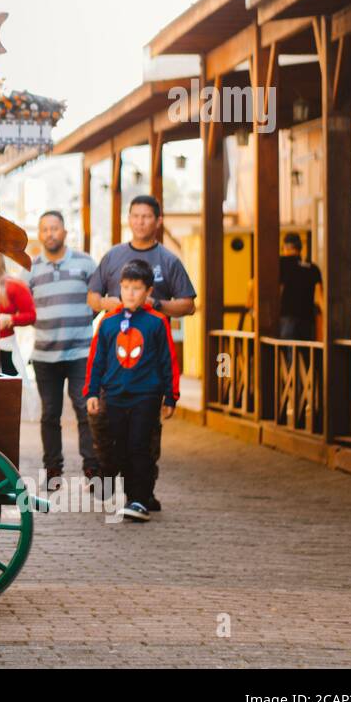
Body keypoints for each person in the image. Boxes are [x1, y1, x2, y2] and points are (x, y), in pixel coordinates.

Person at [87, 195, 195, 511]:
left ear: (157, 220)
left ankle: (141, 495)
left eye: (147, 216)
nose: (140, 221)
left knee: (145, 442)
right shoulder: (113, 257)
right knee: (113, 440)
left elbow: (188, 304)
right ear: (129, 219)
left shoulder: (169, 260)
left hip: (148, 373)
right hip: (117, 375)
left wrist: (155, 305)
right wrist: (118, 307)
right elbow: (93, 298)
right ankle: (115, 484)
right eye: (135, 216)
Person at [83, 260, 179, 522]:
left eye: (136, 288)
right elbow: (97, 359)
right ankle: (132, 498)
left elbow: (167, 360)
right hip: (114, 395)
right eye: (125, 287)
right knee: (120, 447)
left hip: (146, 395)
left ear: (148, 291)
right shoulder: (108, 323)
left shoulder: (157, 323)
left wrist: (171, 396)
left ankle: (140, 498)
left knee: (139, 445)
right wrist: (92, 392)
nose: (130, 293)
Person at [27, 211, 99, 485]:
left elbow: (96, 301)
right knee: (50, 414)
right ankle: (53, 469)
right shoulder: (31, 268)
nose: (50, 234)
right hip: (45, 354)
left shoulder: (85, 263)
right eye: (45, 229)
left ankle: (92, 467)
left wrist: (79, 322)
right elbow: (24, 304)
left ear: (65, 232)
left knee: (85, 408)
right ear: (39, 233)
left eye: (54, 228)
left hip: (80, 352)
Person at [279, 232, 323, 340]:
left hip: (287, 317)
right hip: (308, 318)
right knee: (309, 353)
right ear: (300, 248)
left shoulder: (281, 263)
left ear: (285, 247)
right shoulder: (313, 268)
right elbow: (320, 297)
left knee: (289, 353)